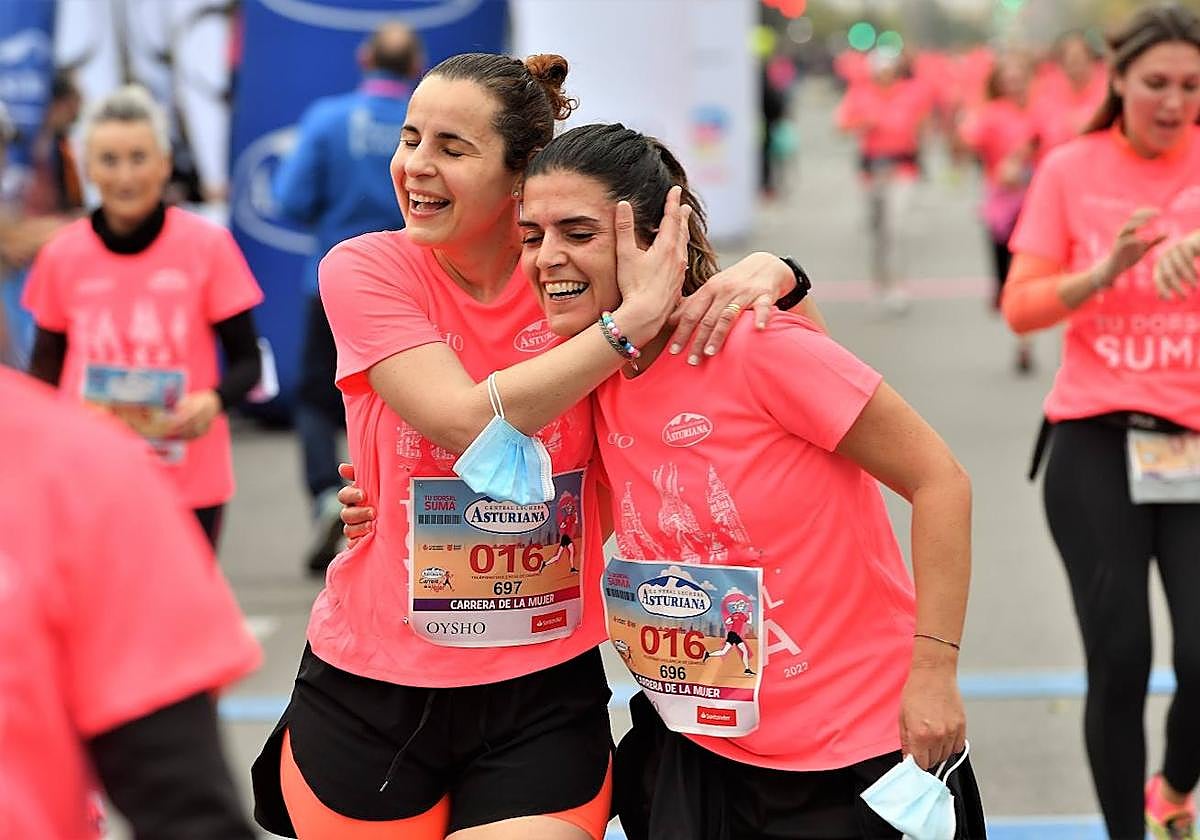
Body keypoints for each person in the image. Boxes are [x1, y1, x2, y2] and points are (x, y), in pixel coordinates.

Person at [344, 121, 983, 838]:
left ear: (656, 241)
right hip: (694, 750)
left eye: (579, 233)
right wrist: (377, 512)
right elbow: (548, 507)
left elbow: (940, 481)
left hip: (853, 753)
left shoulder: (755, 345)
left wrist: (934, 671)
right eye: (531, 235)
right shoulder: (592, 376)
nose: (547, 257)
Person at [249, 51, 804, 840]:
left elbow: (728, 350)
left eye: (451, 147)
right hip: (371, 688)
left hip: (539, 693)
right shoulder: (368, 268)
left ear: (519, 181)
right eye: (411, 140)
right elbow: (463, 422)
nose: (417, 166)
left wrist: (778, 272)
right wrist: (621, 331)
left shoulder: (572, 280)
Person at [1000, 5, 1200, 838]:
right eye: (1155, 83)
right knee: (1120, 659)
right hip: (1094, 442)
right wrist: (1105, 269)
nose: (1173, 101)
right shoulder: (1071, 169)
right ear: (1117, 80)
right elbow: (1021, 308)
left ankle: (1175, 790)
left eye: (1191, 86)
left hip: (1193, 444)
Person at [0, 363, 262, 838]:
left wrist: (212, 399)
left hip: (174, 478)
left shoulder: (76, 465)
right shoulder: (82, 460)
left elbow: (180, 800)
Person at [22, 85, 263, 549]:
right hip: (89, 475)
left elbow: (247, 361)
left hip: (187, 479)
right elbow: (43, 374)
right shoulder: (61, 255)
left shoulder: (206, 246)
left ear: (164, 162)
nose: (125, 175)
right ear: (87, 166)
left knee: (178, 620)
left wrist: (211, 403)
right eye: (109, 160)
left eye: (139, 157)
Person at [273, 21, 421, 575]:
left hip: (333, 284)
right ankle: (394, 513)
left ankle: (323, 497)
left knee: (316, 398)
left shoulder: (327, 120)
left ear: (364, 57)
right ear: (415, 65)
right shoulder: (425, 126)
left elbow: (289, 197)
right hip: (415, 286)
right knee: (408, 405)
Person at [958, 50, 1039, 372]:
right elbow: (965, 145)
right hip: (1000, 204)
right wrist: (962, 124)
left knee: (1027, 272)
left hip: (1036, 201)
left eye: (1020, 77)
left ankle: (1024, 343)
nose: (1015, 84)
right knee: (1006, 274)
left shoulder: (1041, 112)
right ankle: (1003, 292)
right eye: (1009, 79)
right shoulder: (991, 114)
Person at [836, 48, 933, 312]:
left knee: (896, 227)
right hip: (872, 170)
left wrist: (921, 152)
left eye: (889, 69)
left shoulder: (911, 92)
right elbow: (840, 125)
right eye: (880, 70)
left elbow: (924, 125)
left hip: (903, 169)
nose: (885, 75)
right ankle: (879, 285)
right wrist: (862, 123)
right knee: (878, 231)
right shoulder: (860, 93)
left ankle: (898, 286)